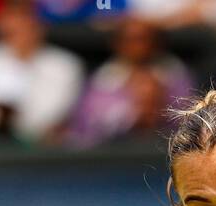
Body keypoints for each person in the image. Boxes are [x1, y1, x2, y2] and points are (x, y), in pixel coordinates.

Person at [0, 0, 84, 143]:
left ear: (39, 27)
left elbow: (54, 115)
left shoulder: (64, 65)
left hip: (38, 147)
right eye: (10, 32)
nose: (19, 36)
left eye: (24, 25)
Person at [69, 16, 194, 145]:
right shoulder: (104, 78)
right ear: (117, 43)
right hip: (112, 151)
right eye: (129, 40)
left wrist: (159, 106)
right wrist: (132, 114)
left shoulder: (174, 73)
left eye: (144, 39)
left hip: (166, 147)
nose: (138, 46)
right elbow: (87, 125)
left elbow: (189, 118)